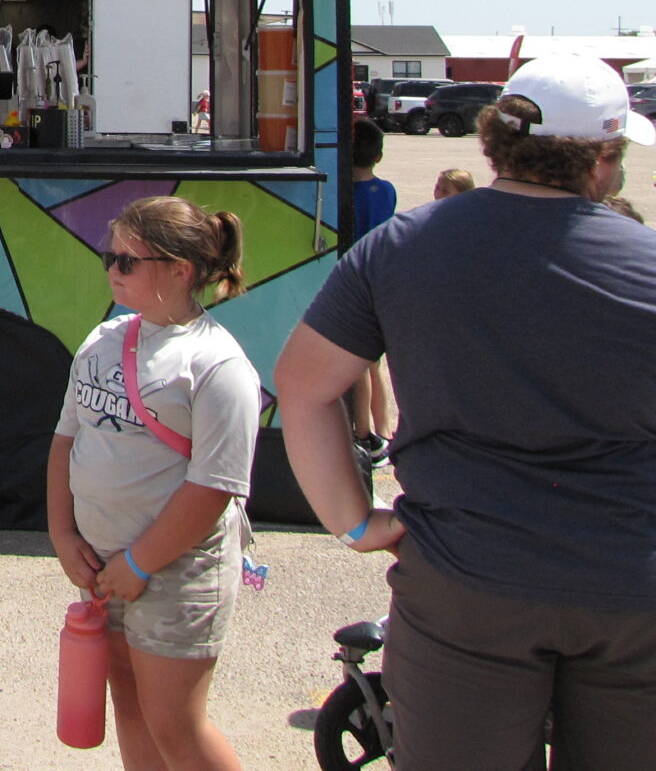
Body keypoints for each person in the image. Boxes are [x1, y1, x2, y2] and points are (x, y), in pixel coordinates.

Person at [275, 55, 656, 771]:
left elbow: (302, 385)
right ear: (603, 160)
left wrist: (355, 522)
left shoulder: (402, 249)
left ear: (493, 140)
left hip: (464, 585)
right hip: (632, 587)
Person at [47, 196, 260, 771]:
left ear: (179, 270)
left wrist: (139, 564)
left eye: (127, 261)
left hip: (175, 571)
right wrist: (64, 536)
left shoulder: (216, 365)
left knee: (175, 725)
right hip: (104, 565)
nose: (113, 270)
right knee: (133, 713)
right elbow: (67, 440)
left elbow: (214, 487)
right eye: (108, 258)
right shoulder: (102, 341)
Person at [347, 117, 397, 460]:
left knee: (359, 365)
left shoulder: (344, 195)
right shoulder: (388, 191)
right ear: (378, 156)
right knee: (375, 364)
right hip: (381, 280)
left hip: (354, 282)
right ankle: (384, 429)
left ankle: (362, 434)